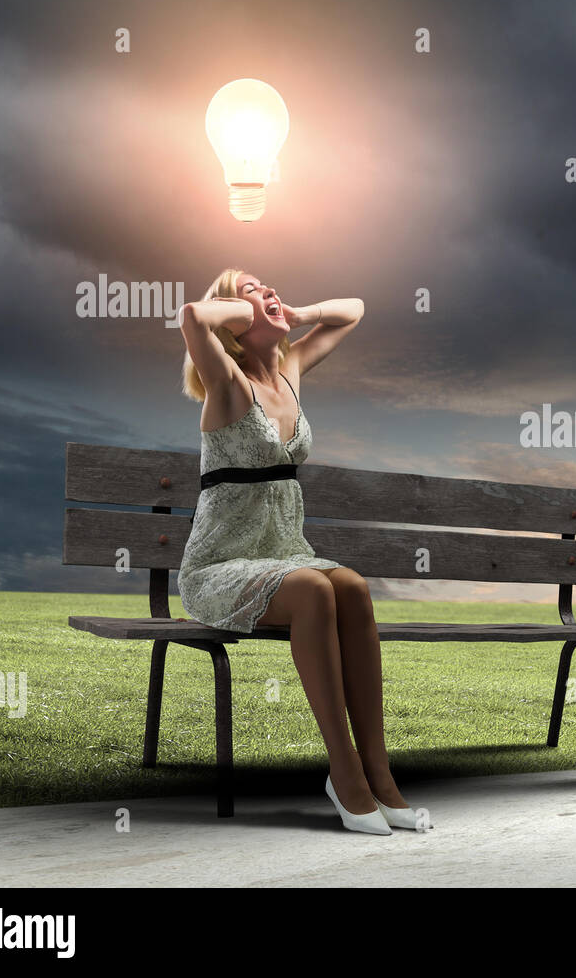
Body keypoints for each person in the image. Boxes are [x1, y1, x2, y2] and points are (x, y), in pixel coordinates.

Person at [177, 267, 424, 836]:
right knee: (316, 589)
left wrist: (293, 314)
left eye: (266, 285)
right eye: (250, 291)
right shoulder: (228, 381)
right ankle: (345, 775)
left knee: (353, 586)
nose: (267, 292)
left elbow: (353, 308)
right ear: (235, 324)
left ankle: (379, 773)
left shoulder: (289, 371)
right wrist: (243, 309)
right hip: (220, 566)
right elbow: (192, 317)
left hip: (286, 552)